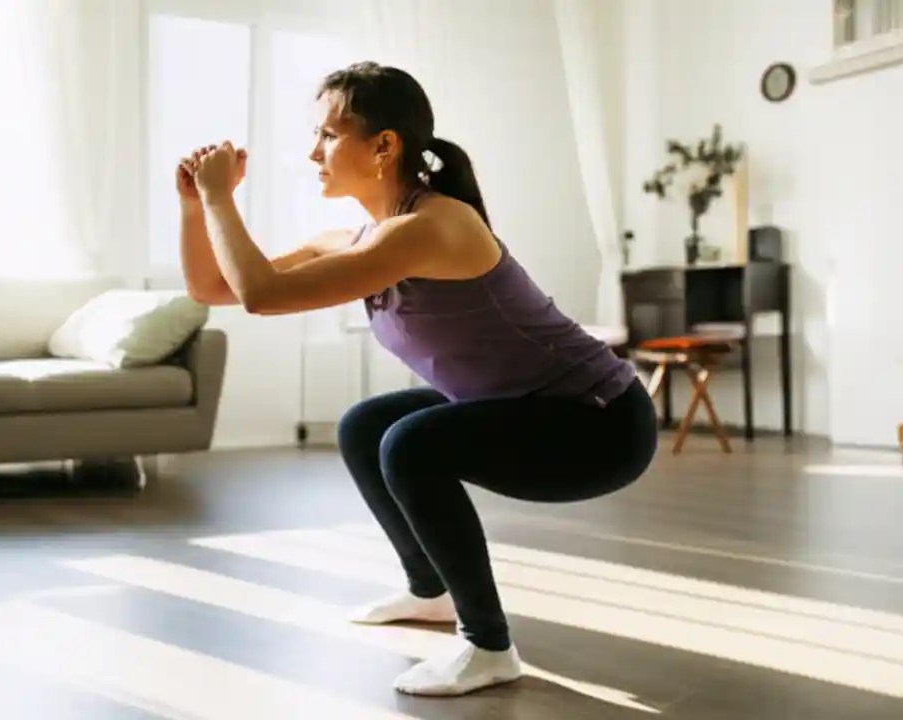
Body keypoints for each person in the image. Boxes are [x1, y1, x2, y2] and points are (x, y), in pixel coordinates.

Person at [176, 61, 658, 697]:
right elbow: (217, 288)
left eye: (327, 134)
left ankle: (488, 647)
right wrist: (194, 207)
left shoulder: (436, 226)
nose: (312, 150)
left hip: (600, 423)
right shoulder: (358, 238)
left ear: (384, 145)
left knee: (411, 444)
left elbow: (261, 295)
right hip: (524, 407)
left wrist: (219, 197)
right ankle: (430, 590)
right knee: (365, 426)